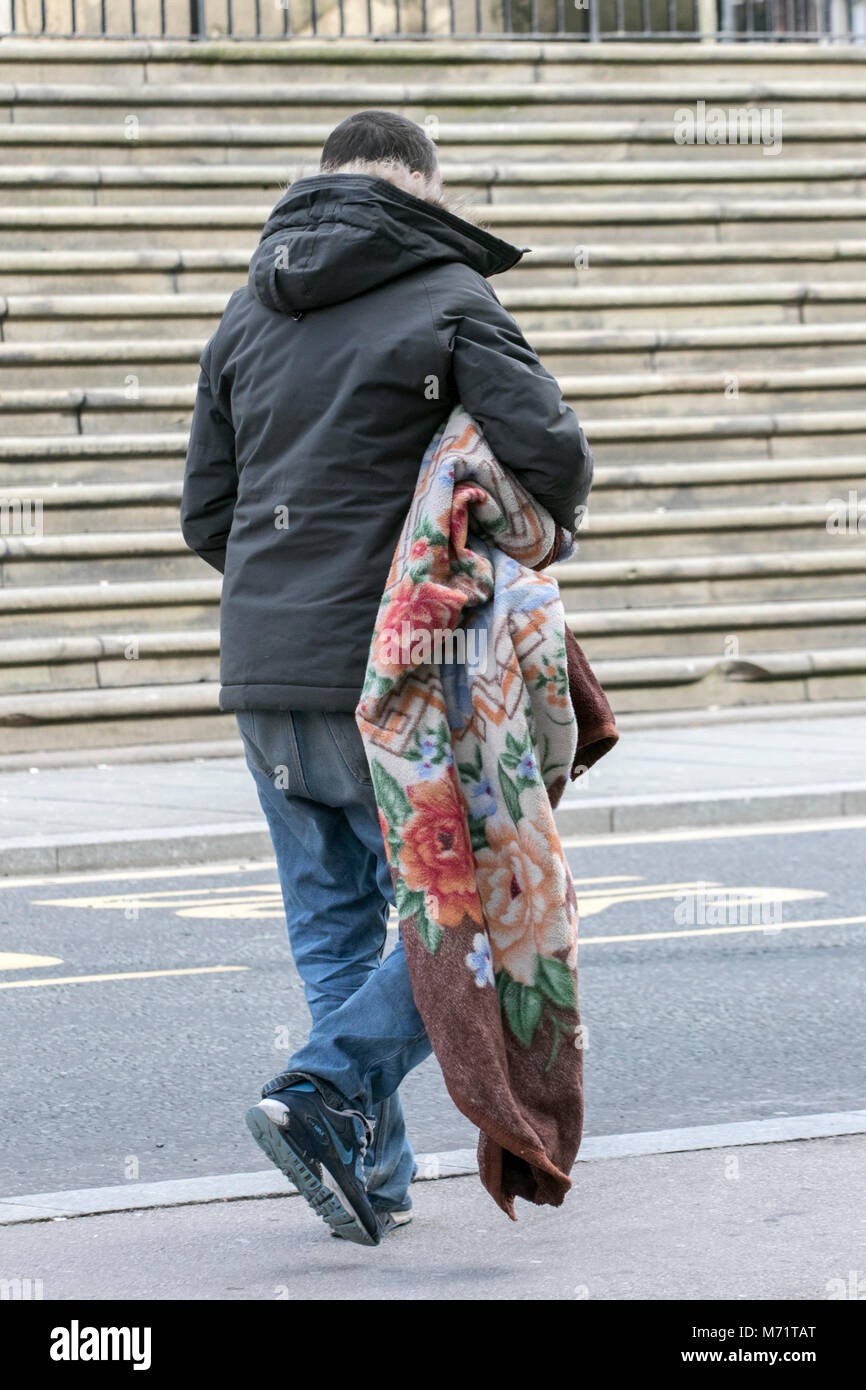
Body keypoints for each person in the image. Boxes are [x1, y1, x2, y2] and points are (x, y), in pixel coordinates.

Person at [180, 109, 593, 1247]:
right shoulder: (447, 293)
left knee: (332, 926)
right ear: (420, 187)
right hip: (401, 679)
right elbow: (555, 455)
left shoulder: (245, 310)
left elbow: (202, 514)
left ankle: (374, 1166)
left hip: (265, 677)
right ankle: (320, 1087)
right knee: (462, 917)